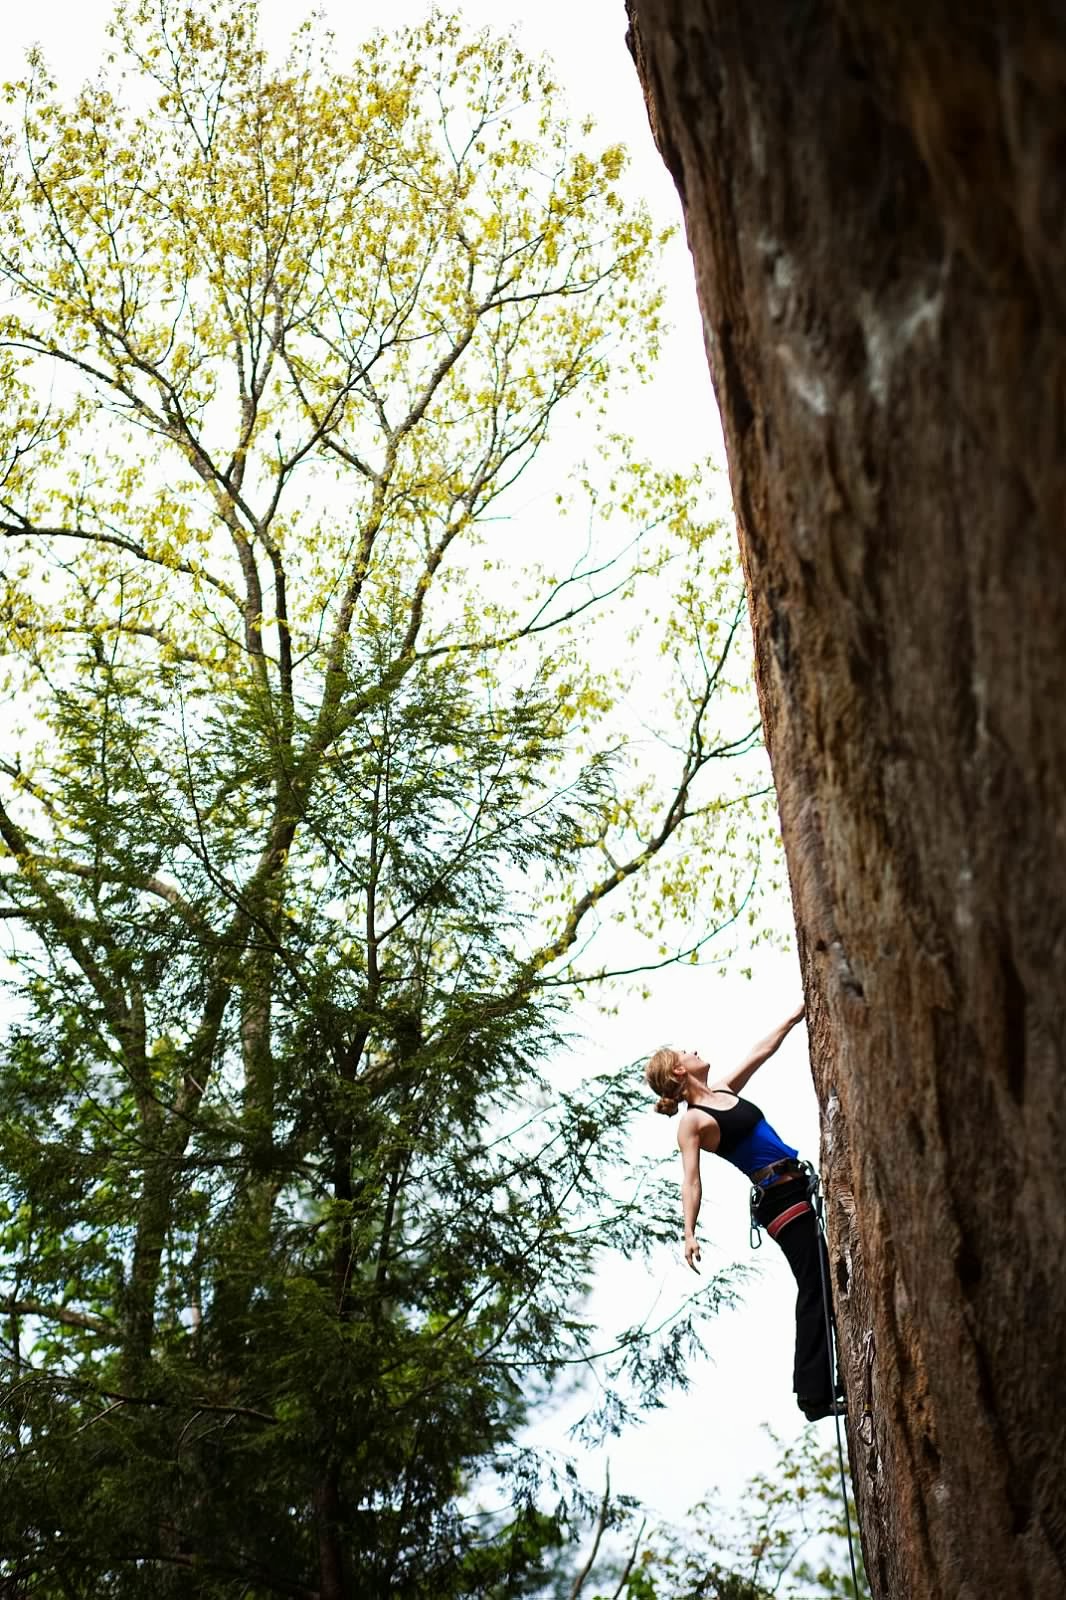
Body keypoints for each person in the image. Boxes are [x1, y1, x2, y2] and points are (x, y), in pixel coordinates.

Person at [644, 1003, 842, 1422]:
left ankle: (822, 1384)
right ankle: (813, 1395)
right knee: (816, 1283)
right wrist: (689, 1232)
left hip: (795, 1188)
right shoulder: (693, 1121)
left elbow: (759, 1052)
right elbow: (691, 1179)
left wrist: (793, 1018)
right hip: (779, 1202)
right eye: (685, 1053)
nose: (693, 1050)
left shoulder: (724, 1091)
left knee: (823, 1278)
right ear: (680, 1072)